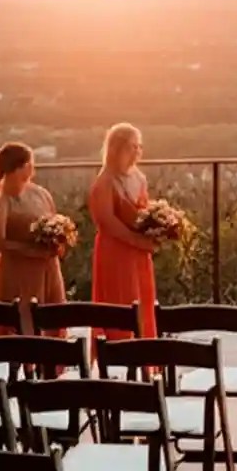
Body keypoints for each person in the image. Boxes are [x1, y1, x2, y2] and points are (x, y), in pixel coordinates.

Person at [0, 142, 66, 336]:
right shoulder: (2, 201)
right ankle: (26, 363)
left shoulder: (41, 194)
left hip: (47, 267)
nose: (32, 168)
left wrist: (59, 241)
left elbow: (55, 220)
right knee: (22, 321)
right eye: (28, 164)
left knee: (51, 317)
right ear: (16, 167)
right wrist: (29, 251)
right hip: (18, 272)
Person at [89, 123, 158, 339]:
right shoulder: (105, 181)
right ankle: (117, 353)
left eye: (139, 147)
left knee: (143, 300)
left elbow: (144, 213)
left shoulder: (139, 178)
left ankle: (145, 357)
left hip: (138, 253)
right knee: (120, 301)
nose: (137, 152)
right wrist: (137, 241)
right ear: (116, 149)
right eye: (131, 147)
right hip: (115, 253)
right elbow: (107, 222)